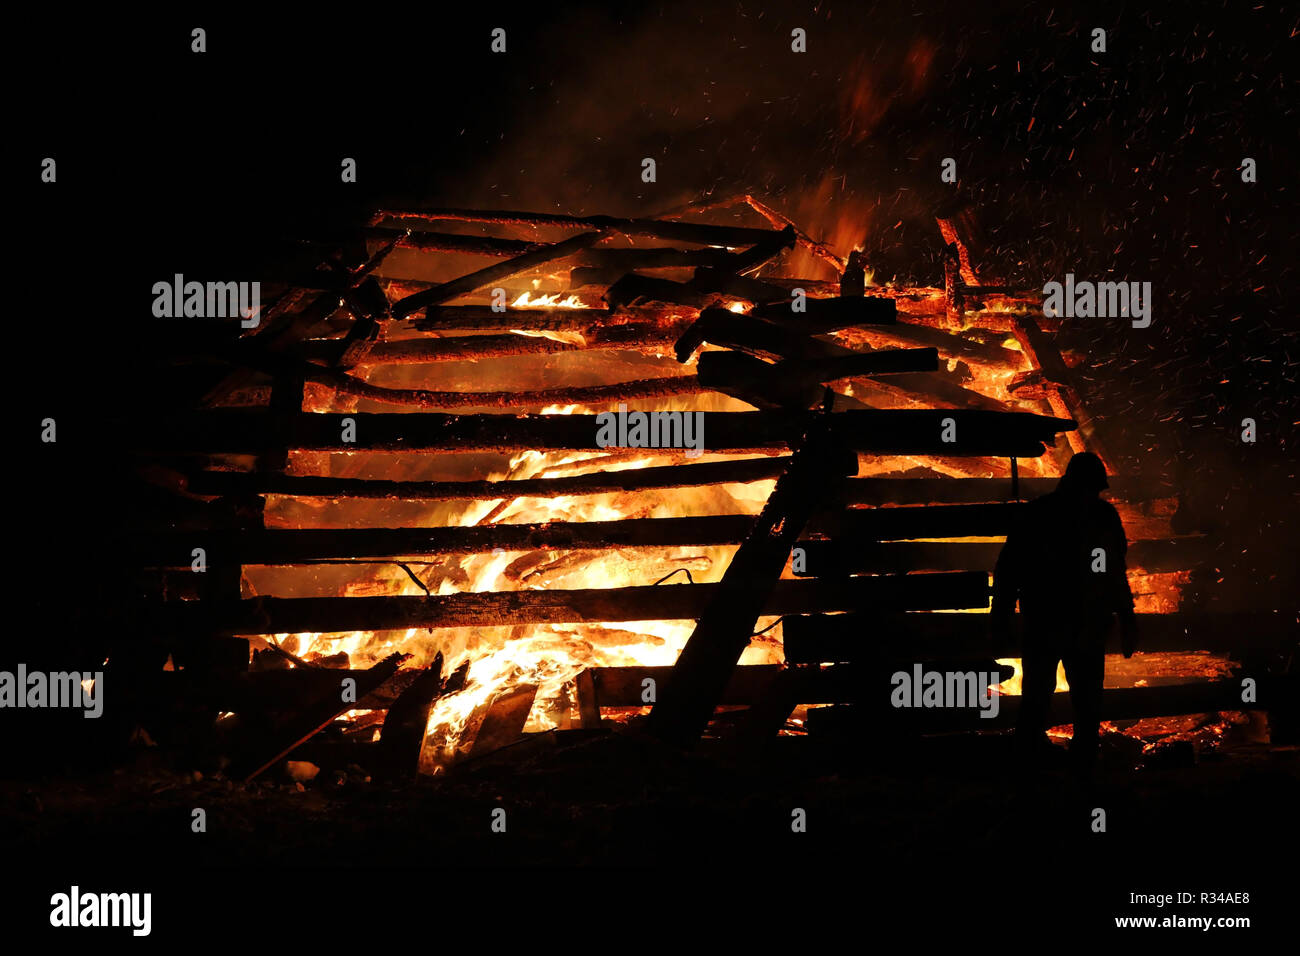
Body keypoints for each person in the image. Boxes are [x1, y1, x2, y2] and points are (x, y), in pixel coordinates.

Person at [991, 452, 1138, 770]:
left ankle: (1060, 770)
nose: (1092, 495)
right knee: (1048, 701)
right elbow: (1009, 571)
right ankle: (1040, 768)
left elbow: (1114, 573)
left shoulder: (1056, 515)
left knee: (1076, 704)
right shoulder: (1084, 516)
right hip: (1056, 625)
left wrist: (1126, 620)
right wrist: (1000, 617)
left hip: (1068, 625)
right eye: (1092, 488)